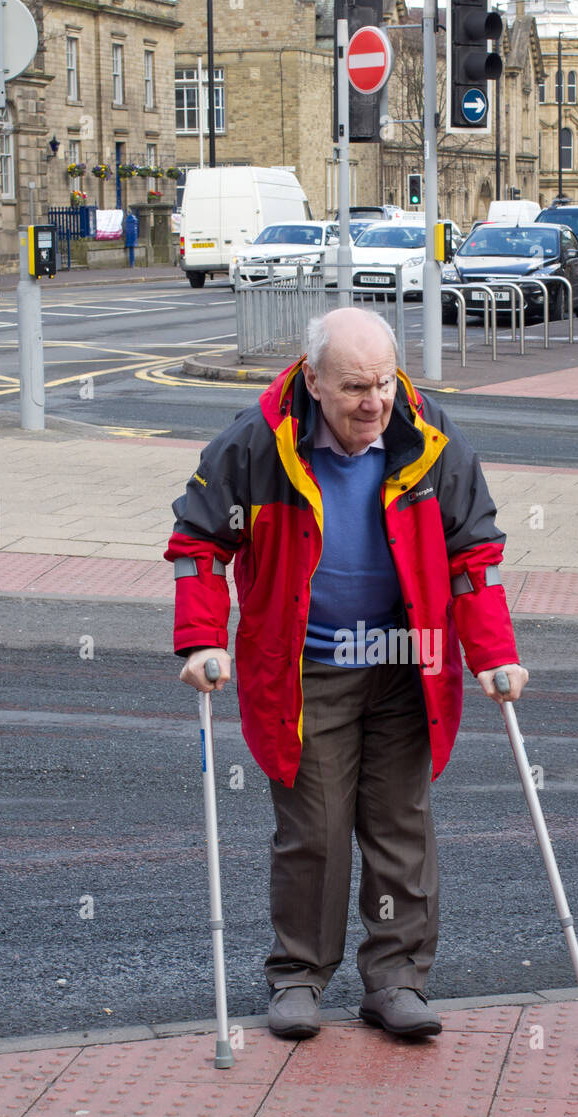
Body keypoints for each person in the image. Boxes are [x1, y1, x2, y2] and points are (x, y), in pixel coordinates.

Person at [166, 307, 528, 1042]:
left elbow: (472, 559)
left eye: (386, 383)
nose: (375, 403)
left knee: (400, 829)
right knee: (317, 835)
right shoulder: (256, 445)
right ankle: (299, 975)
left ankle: (396, 981)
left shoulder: (431, 441)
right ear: (313, 381)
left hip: (404, 668)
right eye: (357, 386)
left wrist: (493, 654)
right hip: (308, 670)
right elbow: (201, 543)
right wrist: (202, 640)